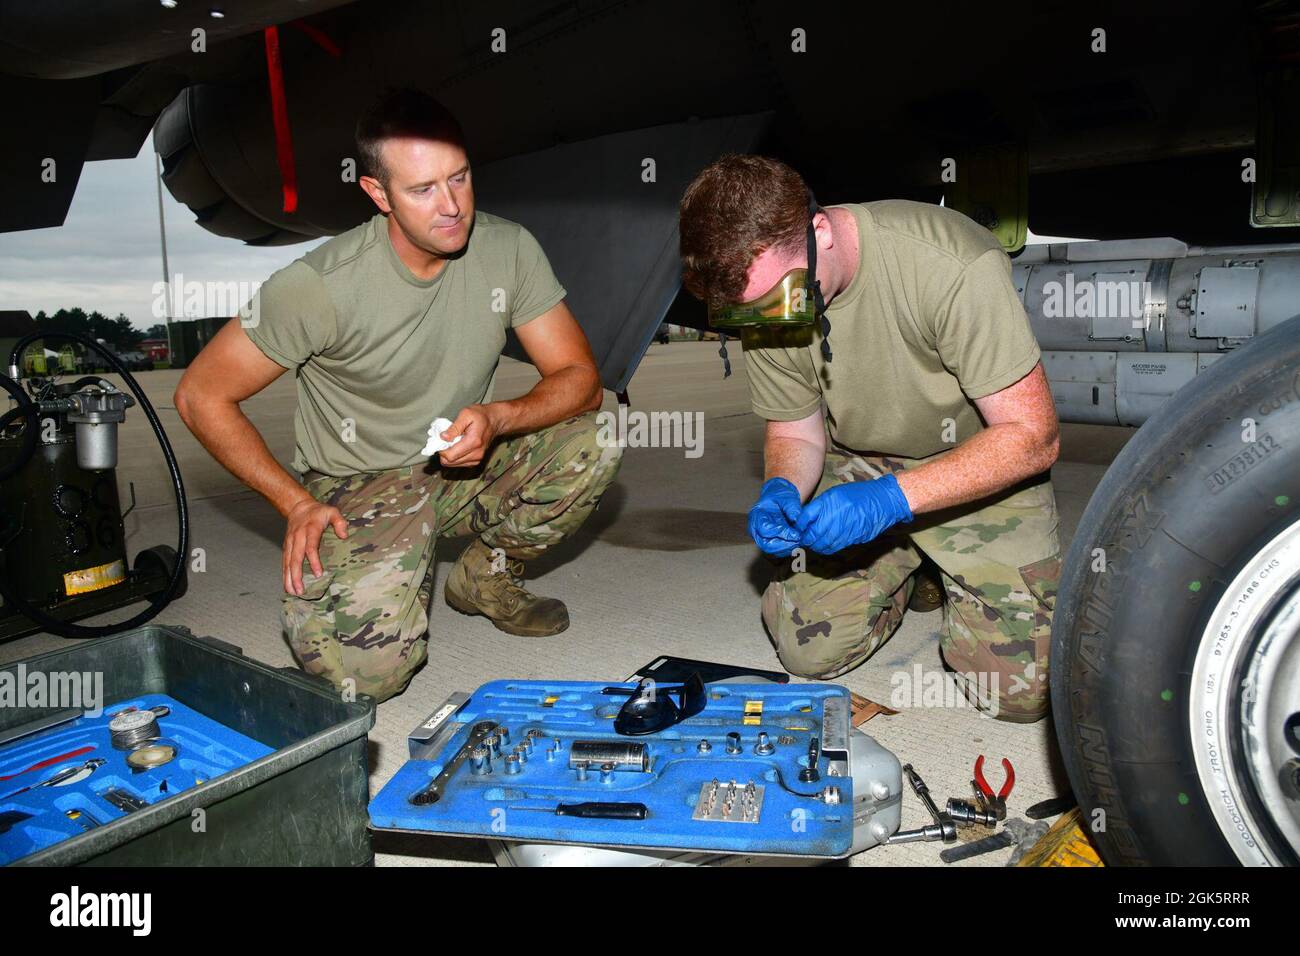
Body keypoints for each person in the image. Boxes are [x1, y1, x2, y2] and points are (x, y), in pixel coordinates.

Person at [174, 89, 621, 702]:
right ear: (378, 194)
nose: (451, 207)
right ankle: (347, 590)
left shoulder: (508, 249)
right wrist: (294, 503)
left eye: (459, 179)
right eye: (422, 190)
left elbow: (579, 377)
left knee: (597, 435)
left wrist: (499, 416)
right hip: (359, 483)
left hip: (463, 460)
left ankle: (486, 578)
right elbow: (202, 395)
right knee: (364, 680)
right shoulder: (318, 285)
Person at [678, 154, 1061, 722]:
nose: (773, 321)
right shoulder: (767, 302)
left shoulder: (951, 264)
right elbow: (794, 430)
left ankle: (932, 557)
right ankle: (905, 563)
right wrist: (781, 486)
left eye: (781, 300)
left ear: (820, 231)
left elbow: (1033, 437)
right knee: (808, 649)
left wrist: (891, 501)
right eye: (751, 314)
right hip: (862, 460)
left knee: (1022, 691)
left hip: (976, 463)